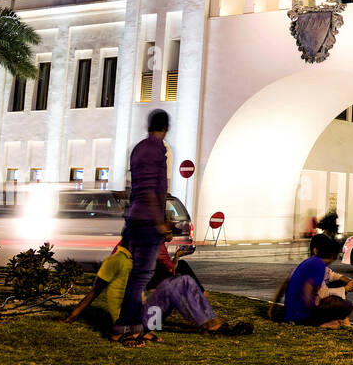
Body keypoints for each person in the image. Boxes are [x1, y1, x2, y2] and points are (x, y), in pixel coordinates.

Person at [64, 229, 250, 340]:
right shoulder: (116, 261)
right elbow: (94, 292)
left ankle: (212, 324)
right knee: (178, 283)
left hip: (145, 318)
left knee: (183, 281)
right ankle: (211, 325)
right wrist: (70, 317)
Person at [112, 109, 171, 346]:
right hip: (147, 221)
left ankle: (137, 327)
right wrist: (159, 221)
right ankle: (122, 327)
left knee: (140, 277)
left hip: (136, 218)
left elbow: (137, 188)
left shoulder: (138, 148)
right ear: (165, 127)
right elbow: (150, 189)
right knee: (140, 278)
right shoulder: (156, 149)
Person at [269, 233, 352, 328]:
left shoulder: (307, 262)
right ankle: (327, 324)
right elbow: (308, 289)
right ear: (333, 256)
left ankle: (335, 322)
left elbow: (284, 284)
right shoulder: (320, 265)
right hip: (302, 317)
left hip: (290, 315)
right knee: (346, 305)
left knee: (333, 298)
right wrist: (313, 315)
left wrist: (272, 307)